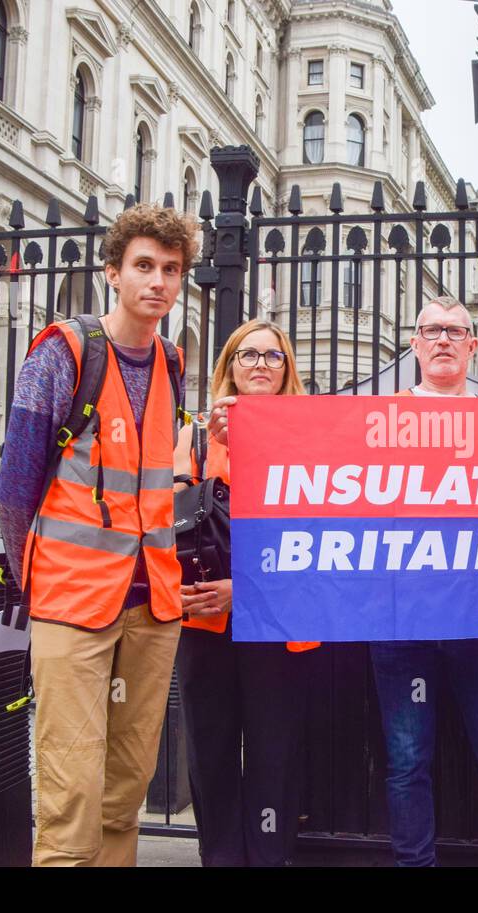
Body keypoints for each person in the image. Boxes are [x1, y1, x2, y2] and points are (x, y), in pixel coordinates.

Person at [281, 294, 478, 867]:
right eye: (431, 330)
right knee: (406, 757)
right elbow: (331, 485)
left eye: (455, 331)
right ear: (414, 344)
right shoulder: (380, 416)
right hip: (399, 615)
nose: (443, 339)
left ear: (473, 345)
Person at [0, 203, 197, 866]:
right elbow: (16, 486)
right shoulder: (64, 353)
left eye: (171, 269)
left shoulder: (171, 362)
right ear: (113, 272)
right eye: (143, 266)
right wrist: (37, 581)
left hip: (152, 603)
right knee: (70, 797)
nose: (158, 282)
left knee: (125, 792)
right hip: (71, 601)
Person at [176, 319, 319, 866]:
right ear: (229, 365)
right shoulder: (192, 437)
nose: (260, 363)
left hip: (280, 619)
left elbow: (320, 537)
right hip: (202, 618)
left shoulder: (309, 438)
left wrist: (248, 589)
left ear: (288, 371)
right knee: (210, 753)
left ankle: (268, 857)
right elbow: (165, 523)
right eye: (247, 354)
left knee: (274, 753)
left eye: (273, 356)